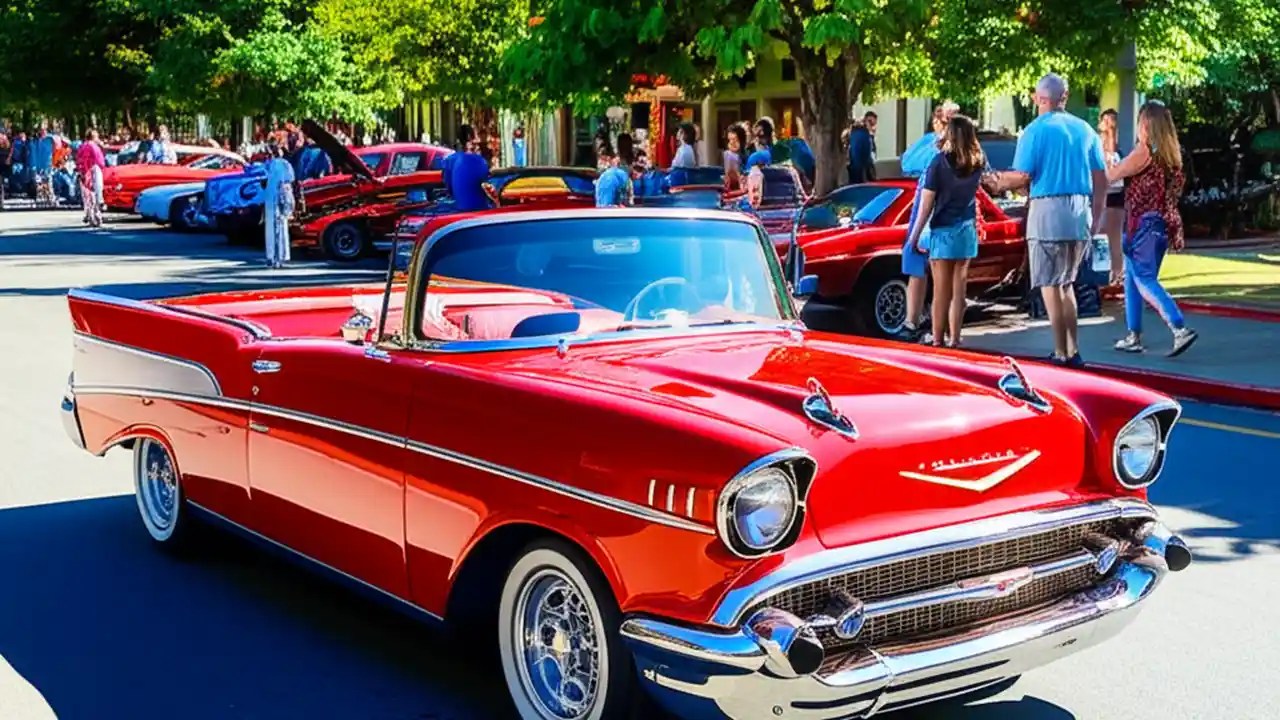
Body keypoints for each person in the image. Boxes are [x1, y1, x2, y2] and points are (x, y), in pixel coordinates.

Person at [985, 73, 1108, 368]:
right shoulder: (1085, 129)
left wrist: (997, 182)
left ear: (1038, 98)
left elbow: (1023, 175)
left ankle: (1060, 351)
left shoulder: (1034, 131)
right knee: (1067, 283)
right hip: (1080, 212)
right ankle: (1073, 350)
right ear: (1064, 97)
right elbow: (1101, 177)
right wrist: (1097, 216)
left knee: (1050, 284)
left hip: (1047, 210)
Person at [1107, 101, 1199, 357]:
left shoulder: (1144, 152)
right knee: (1133, 280)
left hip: (1142, 223)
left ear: (1146, 124)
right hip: (1161, 222)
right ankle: (1133, 334)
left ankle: (1179, 327)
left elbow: (1113, 175)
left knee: (1144, 278)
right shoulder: (1170, 155)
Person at [904, 115, 986, 348]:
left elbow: (925, 205)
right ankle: (955, 338)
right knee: (959, 291)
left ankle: (938, 339)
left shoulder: (939, 163)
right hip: (966, 230)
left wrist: (914, 237)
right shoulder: (977, 161)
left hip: (943, 231)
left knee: (941, 292)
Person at [896, 101, 960, 342]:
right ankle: (914, 322)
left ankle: (941, 331)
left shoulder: (960, 149)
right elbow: (908, 162)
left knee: (943, 271)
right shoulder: (932, 144)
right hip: (933, 209)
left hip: (943, 210)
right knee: (918, 264)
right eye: (945, 120)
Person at [1099, 109, 1126, 285]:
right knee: (1101, 237)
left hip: (1114, 195)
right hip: (1103, 195)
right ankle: (1106, 273)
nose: (1109, 125)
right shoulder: (1098, 145)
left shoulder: (1115, 150)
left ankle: (1117, 273)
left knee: (1114, 236)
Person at [263, 142, 296, 269]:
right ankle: (282, 256)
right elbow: (291, 180)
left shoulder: (269, 165)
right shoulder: (286, 164)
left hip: (272, 198)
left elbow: (263, 179)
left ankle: (272, 256)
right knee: (282, 227)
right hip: (283, 198)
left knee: (271, 229)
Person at [76, 129, 107, 227]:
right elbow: (100, 161)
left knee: (87, 195)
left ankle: (90, 216)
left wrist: (82, 171)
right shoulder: (93, 146)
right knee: (96, 194)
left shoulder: (82, 146)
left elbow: (79, 160)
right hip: (93, 170)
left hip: (85, 172)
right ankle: (96, 216)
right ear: (94, 137)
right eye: (97, 136)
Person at [847, 111, 878, 184]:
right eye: (870, 123)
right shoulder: (861, 133)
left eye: (873, 124)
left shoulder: (865, 134)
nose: (872, 127)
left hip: (860, 167)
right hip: (859, 168)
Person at [723, 123, 748, 191]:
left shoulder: (746, 155)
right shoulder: (728, 155)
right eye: (729, 140)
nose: (731, 143)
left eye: (735, 140)